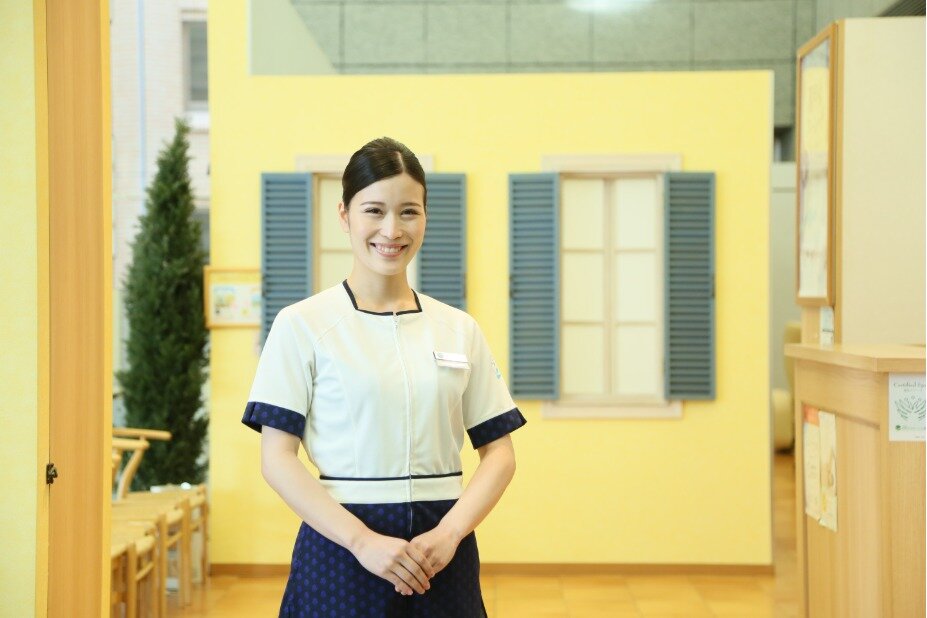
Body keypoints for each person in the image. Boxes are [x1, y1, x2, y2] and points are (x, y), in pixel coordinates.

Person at [242, 137, 527, 617]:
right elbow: (277, 458)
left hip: (442, 554)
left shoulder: (459, 328)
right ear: (344, 215)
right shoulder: (301, 325)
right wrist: (362, 542)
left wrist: (450, 534)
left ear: (425, 217)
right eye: (374, 210)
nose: (391, 230)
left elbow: (500, 453)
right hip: (340, 551)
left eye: (408, 212)